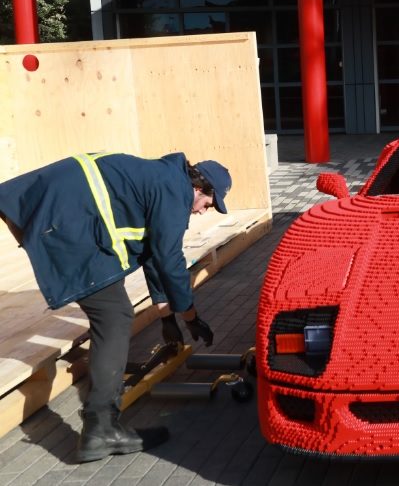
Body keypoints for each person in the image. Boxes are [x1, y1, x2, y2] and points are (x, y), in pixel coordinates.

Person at [0, 153, 230, 462]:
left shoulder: (163, 179)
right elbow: (169, 260)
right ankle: (101, 429)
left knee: (114, 311)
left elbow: (153, 254)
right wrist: (191, 317)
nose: (203, 211)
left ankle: (101, 422)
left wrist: (167, 318)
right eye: (209, 204)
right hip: (63, 220)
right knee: (115, 317)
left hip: (49, 208)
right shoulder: (174, 192)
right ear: (201, 188)